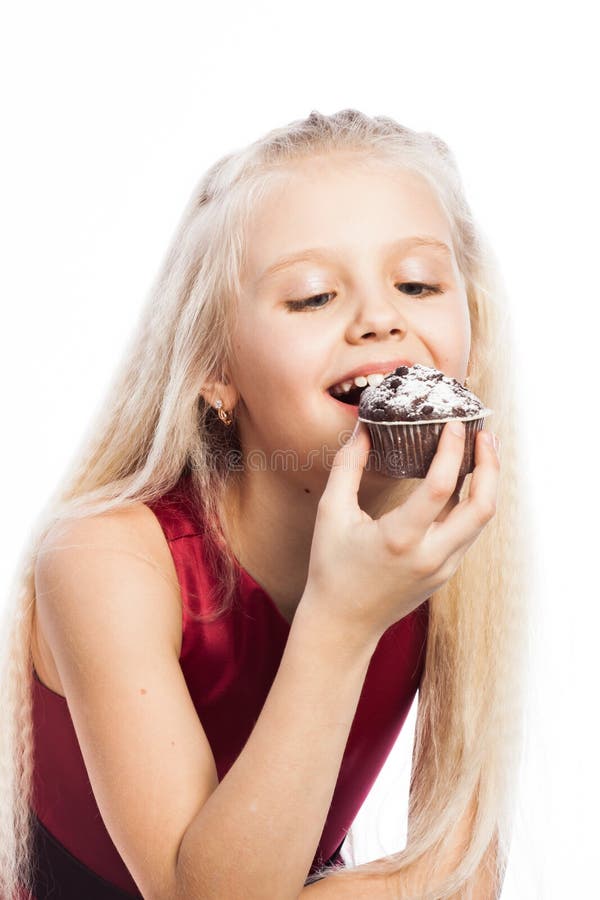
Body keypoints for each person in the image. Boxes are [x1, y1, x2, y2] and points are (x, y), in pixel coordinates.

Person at [0, 109, 533, 899]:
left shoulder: (446, 540)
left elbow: (463, 876)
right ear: (215, 369)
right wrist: (343, 618)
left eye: (417, 283)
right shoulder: (102, 561)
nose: (380, 318)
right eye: (313, 297)